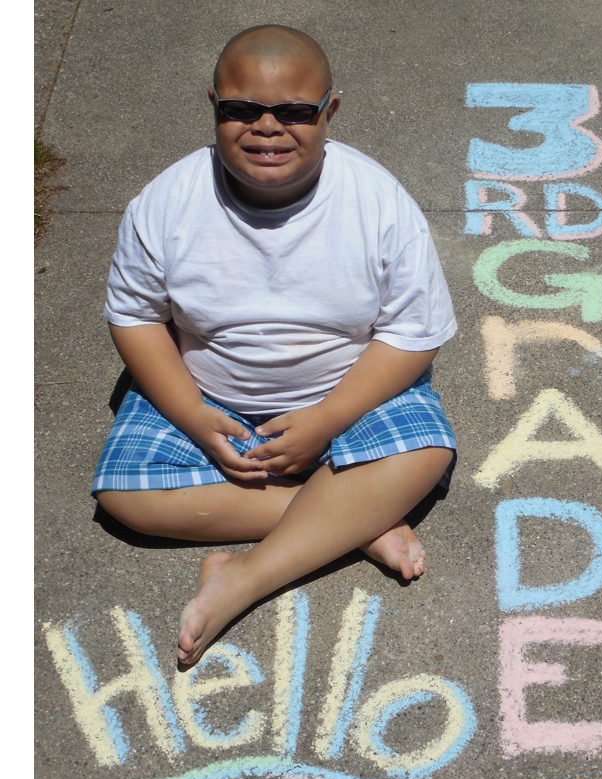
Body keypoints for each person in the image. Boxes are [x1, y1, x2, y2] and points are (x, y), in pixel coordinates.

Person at [93, 25, 457, 666]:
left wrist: (328, 419)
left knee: (425, 458)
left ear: (329, 111)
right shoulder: (167, 203)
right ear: (213, 105)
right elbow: (137, 318)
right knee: (126, 499)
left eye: (294, 112)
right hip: (209, 393)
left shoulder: (379, 203)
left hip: (348, 392)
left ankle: (246, 576)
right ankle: (352, 519)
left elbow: (411, 335)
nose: (267, 128)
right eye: (241, 109)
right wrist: (192, 415)